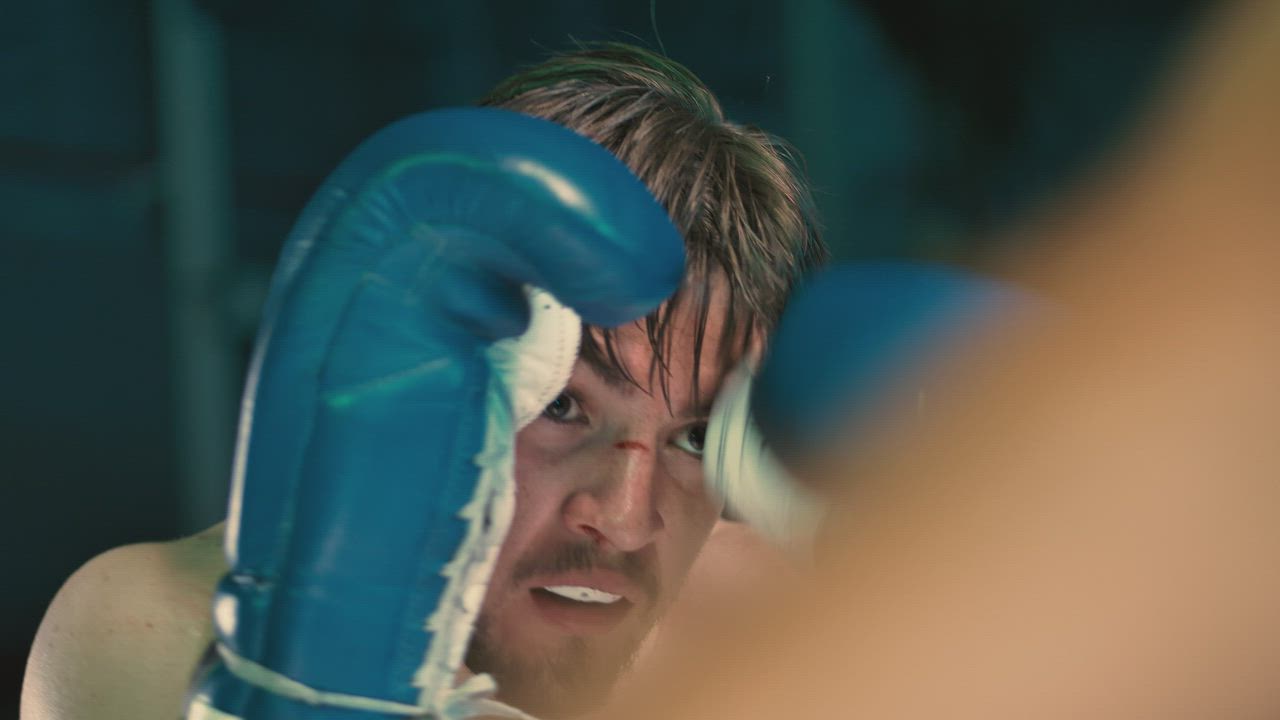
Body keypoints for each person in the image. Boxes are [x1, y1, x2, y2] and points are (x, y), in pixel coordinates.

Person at [20, 42, 824, 720]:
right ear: (429, 374)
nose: (623, 521)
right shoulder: (150, 625)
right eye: (562, 405)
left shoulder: (778, 606)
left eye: (695, 437)